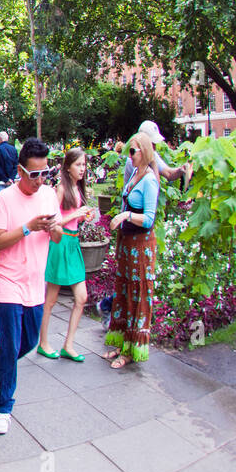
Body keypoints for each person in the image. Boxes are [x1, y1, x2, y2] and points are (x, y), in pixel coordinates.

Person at [0, 137, 62, 435]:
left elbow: (56, 238)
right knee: (13, 343)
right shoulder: (5, 199)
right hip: (9, 282)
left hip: (34, 284)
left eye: (45, 173)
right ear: (20, 170)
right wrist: (28, 227)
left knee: (27, 343)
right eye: (34, 174)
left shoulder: (49, 196)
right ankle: (3, 407)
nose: (40, 180)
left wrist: (53, 229)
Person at [105, 132, 160, 368]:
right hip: (127, 244)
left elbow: (149, 218)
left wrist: (126, 215)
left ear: (145, 151)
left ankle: (130, 351)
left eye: (133, 151)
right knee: (125, 292)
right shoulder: (135, 175)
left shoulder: (149, 180)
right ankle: (122, 344)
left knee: (138, 295)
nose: (130, 155)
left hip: (141, 246)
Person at [38, 147, 95, 361]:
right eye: (79, 165)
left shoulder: (77, 188)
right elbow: (51, 221)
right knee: (50, 300)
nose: (83, 169)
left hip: (73, 244)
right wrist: (76, 213)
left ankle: (68, 345)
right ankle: (43, 342)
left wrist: (82, 217)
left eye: (84, 165)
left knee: (82, 297)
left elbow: (72, 219)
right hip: (60, 243)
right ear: (68, 167)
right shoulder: (61, 188)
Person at [115, 120, 190, 186]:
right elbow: (152, 185)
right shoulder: (133, 161)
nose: (154, 147)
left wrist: (181, 169)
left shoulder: (152, 154)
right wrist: (153, 164)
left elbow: (169, 173)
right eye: (152, 143)